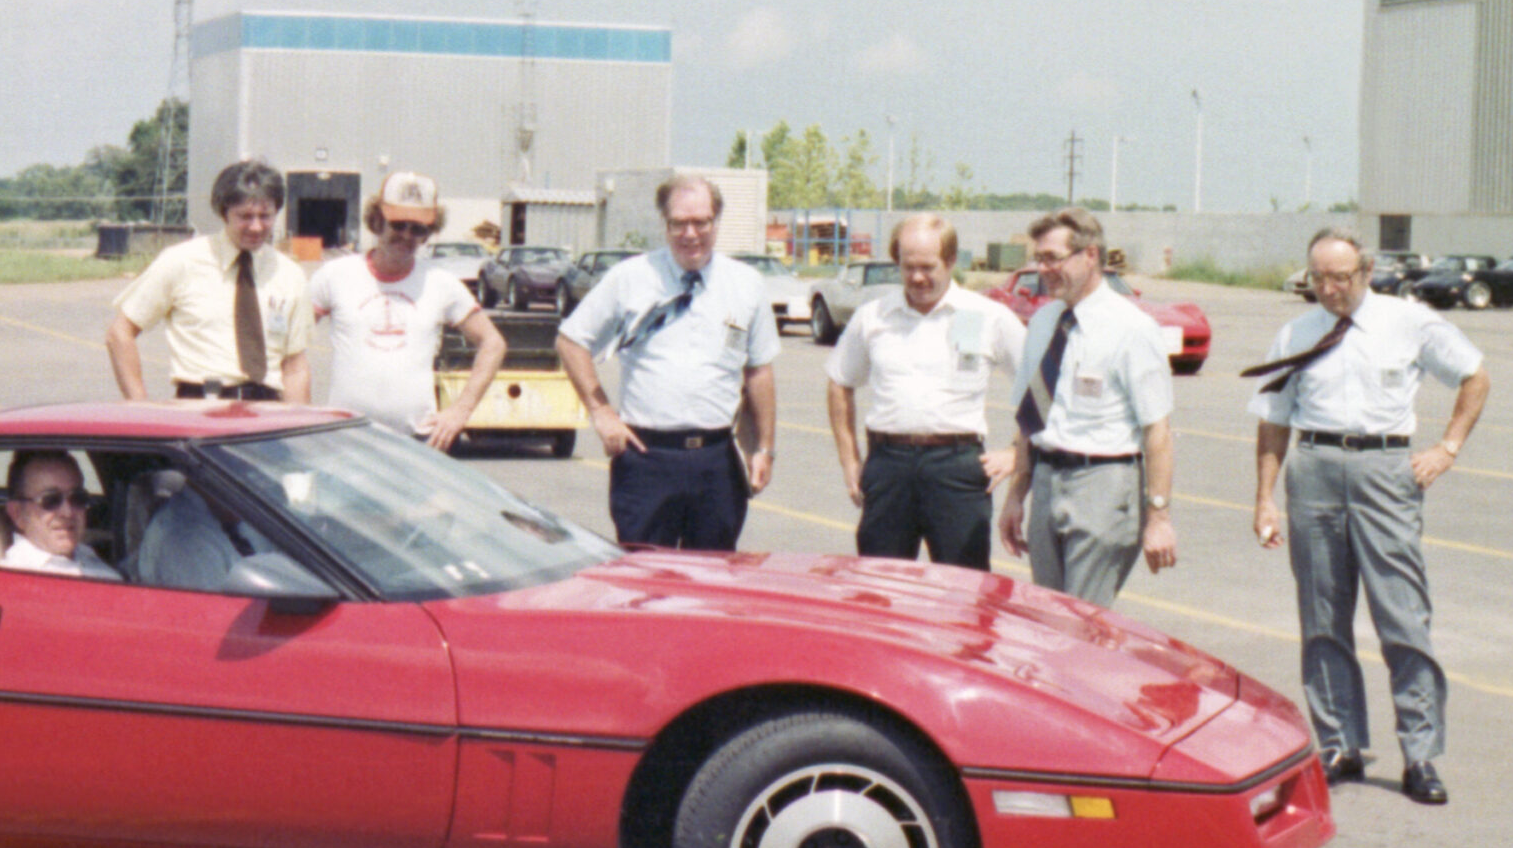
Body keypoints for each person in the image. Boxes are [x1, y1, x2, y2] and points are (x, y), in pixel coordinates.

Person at [1249, 227, 1489, 806]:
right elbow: (1274, 418)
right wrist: (1265, 497)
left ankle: (1421, 754)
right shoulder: (1297, 332)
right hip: (1316, 468)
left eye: (1341, 277)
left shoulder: (1410, 321)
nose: (1329, 289)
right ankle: (1339, 744)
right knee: (1323, 615)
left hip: (1385, 470)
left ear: (1368, 270)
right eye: (1318, 278)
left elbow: (1474, 376)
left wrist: (1447, 447)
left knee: (1402, 617)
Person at [556, 174, 779, 548]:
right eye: (679, 223)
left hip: (718, 463)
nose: (690, 234)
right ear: (665, 223)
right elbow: (571, 340)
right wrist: (601, 413)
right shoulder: (631, 277)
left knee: (712, 583)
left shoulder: (746, 284)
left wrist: (765, 449)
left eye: (701, 222)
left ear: (716, 221)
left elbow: (759, 370)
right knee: (643, 584)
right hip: (646, 459)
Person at [997, 207, 1177, 606]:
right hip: (1047, 480)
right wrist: (1016, 495)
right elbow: (1031, 414)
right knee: (1049, 615)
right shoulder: (1044, 321)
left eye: (1052, 258)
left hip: (1103, 484)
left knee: (1082, 624)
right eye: (1038, 259)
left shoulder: (1132, 328)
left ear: (1090, 255)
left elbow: (1157, 432)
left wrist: (1159, 517)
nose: (1043, 269)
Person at [826, 214, 1022, 569]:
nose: (918, 277)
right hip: (888, 466)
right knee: (879, 587)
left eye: (928, 267)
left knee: (963, 591)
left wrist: (1015, 451)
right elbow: (840, 382)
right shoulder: (874, 318)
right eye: (908, 267)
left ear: (950, 261)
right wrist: (849, 461)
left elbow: (1038, 387)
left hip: (957, 468)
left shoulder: (987, 316)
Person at [307, 170, 508, 450]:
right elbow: (291, 344)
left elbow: (493, 343)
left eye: (418, 228)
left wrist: (460, 411)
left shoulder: (441, 283)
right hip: (346, 440)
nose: (407, 235)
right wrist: (303, 414)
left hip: (418, 442)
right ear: (377, 221)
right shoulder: (334, 275)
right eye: (398, 225)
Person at [107, 161, 312, 402]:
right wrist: (140, 406)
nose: (256, 227)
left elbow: (295, 366)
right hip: (201, 407)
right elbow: (120, 334)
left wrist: (296, 426)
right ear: (224, 212)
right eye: (245, 216)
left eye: (265, 216)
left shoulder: (290, 274)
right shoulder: (181, 261)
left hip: (267, 410)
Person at [0, 449, 123, 579]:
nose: (67, 512)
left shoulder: (89, 557)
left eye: (77, 498)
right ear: (17, 514)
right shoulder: (14, 578)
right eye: (50, 500)